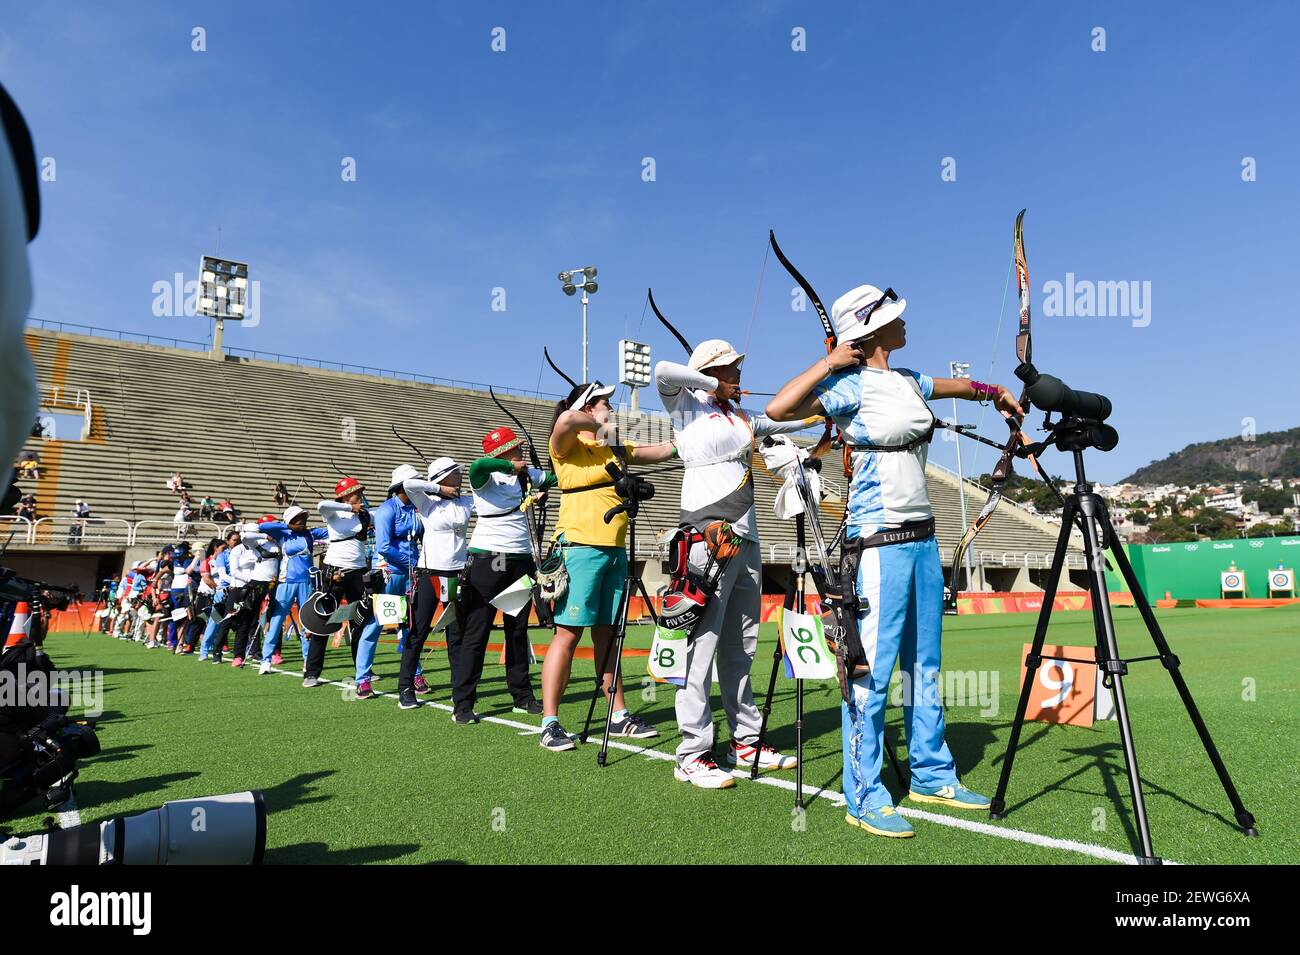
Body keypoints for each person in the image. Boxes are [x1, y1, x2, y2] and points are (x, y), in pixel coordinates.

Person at [765, 283, 1016, 837]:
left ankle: (930, 772)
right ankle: (865, 792)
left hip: (923, 539)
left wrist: (991, 390)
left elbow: (949, 386)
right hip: (877, 543)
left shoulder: (906, 380)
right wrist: (827, 362)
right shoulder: (847, 385)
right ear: (871, 330)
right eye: (894, 318)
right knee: (870, 671)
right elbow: (779, 409)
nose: (906, 323)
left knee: (925, 665)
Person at [654, 339, 808, 788]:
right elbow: (663, 369)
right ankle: (692, 752)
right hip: (706, 538)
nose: (738, 374)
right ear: (708, 371)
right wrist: (713, 383)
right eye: (730, 368)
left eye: (739, 367)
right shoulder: (686, 405)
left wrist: (822, 420)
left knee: (741, 645)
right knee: (700, 646)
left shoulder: (740, 417)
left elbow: (783, 419)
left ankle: (746, 740)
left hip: (746, 539)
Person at [540, 380, 675, 750]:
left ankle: (617, 715)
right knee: (567, 634)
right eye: (603, 403)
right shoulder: (569, 445)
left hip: (615, 551)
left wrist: (692, 432)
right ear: (588, 407)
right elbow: (566, 419)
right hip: (579, 548)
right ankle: (550, 722)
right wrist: (595, 423)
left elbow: (662, 450)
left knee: (608, 636)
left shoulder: (613, 449)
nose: (610, 409)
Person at [452, 426, 554, 723]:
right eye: (516, 449)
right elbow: (477, 465)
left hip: (520, 559)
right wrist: (513, 466)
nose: (521, 452)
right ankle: (463, 703)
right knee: (477, 631)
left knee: (518, 630)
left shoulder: (525, 475)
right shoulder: (487, 476)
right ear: (504, 453)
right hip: (488, 558)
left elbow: (556, 478)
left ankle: (522, 696)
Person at [398, 457, 474, 709]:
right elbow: (408, 483)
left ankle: (458, 688)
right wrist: (440, 489)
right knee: (418, 631)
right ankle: (406, 687)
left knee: (456, 633)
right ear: (444, 477)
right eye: (455, 473)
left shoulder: (465, 501)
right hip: (429, 574)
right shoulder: (427, 501)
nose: (460, 476)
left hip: (455, 575)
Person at [305, 477, 380, 689]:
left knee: (361, 622)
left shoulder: (365, 514)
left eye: (360, 493)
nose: (361, 497)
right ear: (346, 496)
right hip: (334, 572)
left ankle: (363, 668)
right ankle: (312, 672)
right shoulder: (334, 512)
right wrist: (350, 506)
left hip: (358, 573)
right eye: (357, 493)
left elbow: (381, 514)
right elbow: (321, 505)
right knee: (323, 621)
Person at [361, 466, 420, 700]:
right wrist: (411, 563)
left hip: (411, 572)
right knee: (377, 624)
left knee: (410, 624)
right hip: (390, 573)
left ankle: (414, 674)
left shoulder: (417, 508)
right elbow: (384, 546)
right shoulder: (387, 510)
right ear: (402, 486)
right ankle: (362, 679)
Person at [257, 506, 325, 674]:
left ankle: (307, 660)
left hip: (306, 583)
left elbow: (331, 532)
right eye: (298, 518)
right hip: (286, 582)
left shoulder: (310, 533)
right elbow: (263, 527)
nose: (302, 520)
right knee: (277, 621)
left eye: (303, 517)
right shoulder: (283, 534)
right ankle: (266, 660)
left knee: (307, 622)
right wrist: (288, 526)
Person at [235, 515, 282, 667]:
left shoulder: (279, 541)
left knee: (275, 618)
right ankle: (239, 655)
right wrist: (263, 535)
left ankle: (276, 652)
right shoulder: (257, 541)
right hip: (257, 584)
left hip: (275, 583)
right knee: (248, 618)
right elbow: (244, 536)